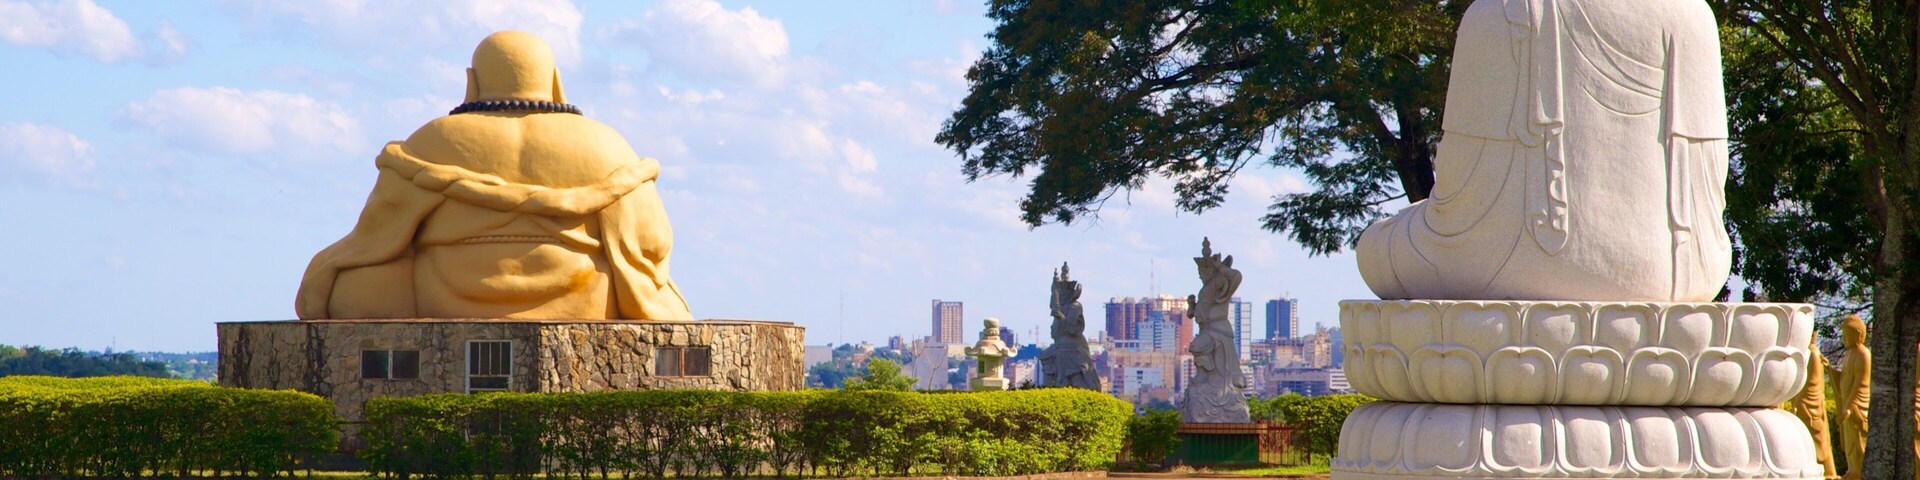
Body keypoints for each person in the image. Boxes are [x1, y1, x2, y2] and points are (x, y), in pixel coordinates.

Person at [296, 31, 691, 320]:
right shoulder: (603, 144)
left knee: (357, 290)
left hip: (445, 297)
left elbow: (373, 237)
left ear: (473, 81)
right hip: (584, 296)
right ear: (555, 82)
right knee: (663, 299)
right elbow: (650, 246)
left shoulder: (433, 140)